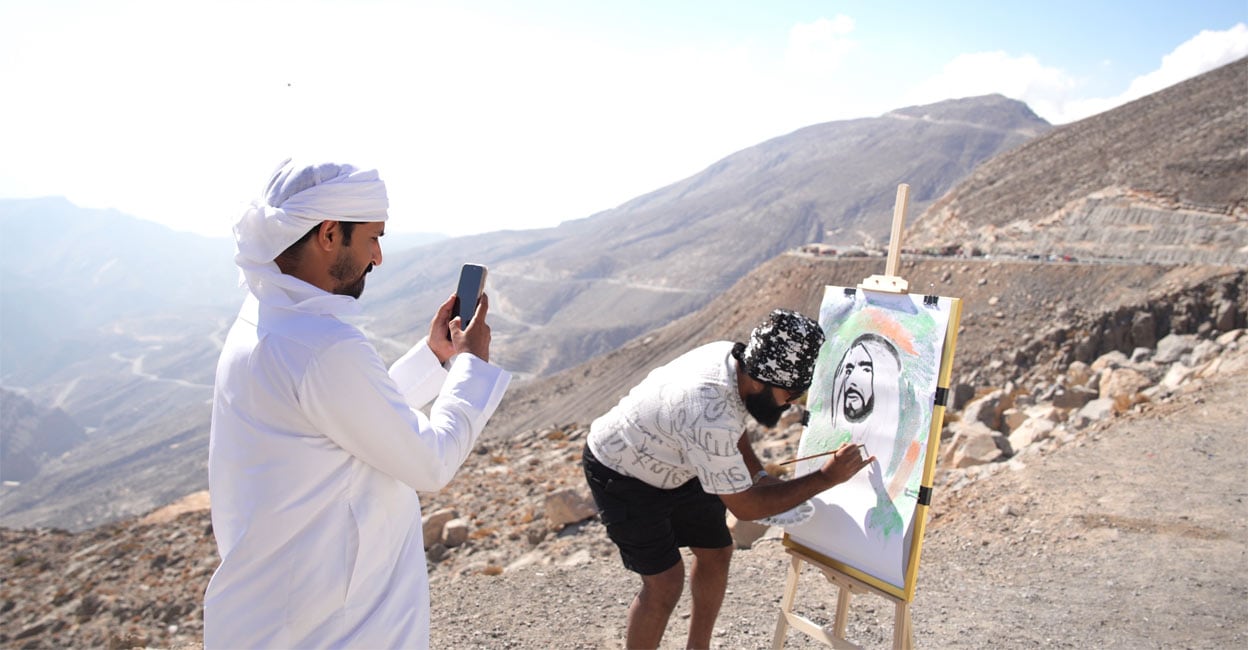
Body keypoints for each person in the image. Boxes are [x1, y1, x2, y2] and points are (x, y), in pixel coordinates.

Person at [204, 159, 511, 649]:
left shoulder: (268, 318)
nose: (379, 257)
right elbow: (430, 463)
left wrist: (434, 358)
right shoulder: (323, 345)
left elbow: (346, 419)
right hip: (333, 628)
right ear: (329, 234)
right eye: (373, 237)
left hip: (279, 618)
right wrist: (470, 366)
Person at [582, 309, 874, 649]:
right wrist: (827, 478)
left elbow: (731, 428)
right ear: (763, 381)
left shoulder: (736, 364)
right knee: (664, 583)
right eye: (790, 394)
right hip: (623, 470)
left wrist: (758, 473)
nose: (791, 404)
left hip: (682, 459)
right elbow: (746, 507)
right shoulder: (707, 410)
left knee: (716, 551)